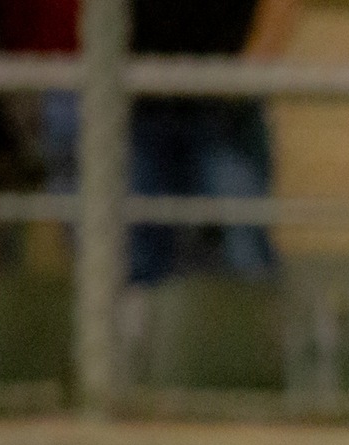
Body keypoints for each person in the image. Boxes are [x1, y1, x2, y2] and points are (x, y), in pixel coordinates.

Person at [125, 0, 299, 284]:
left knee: (244, 251)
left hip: (224, 106)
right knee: (134, 257)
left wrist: (252, 69)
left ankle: (252, 324)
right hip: (142, 99)